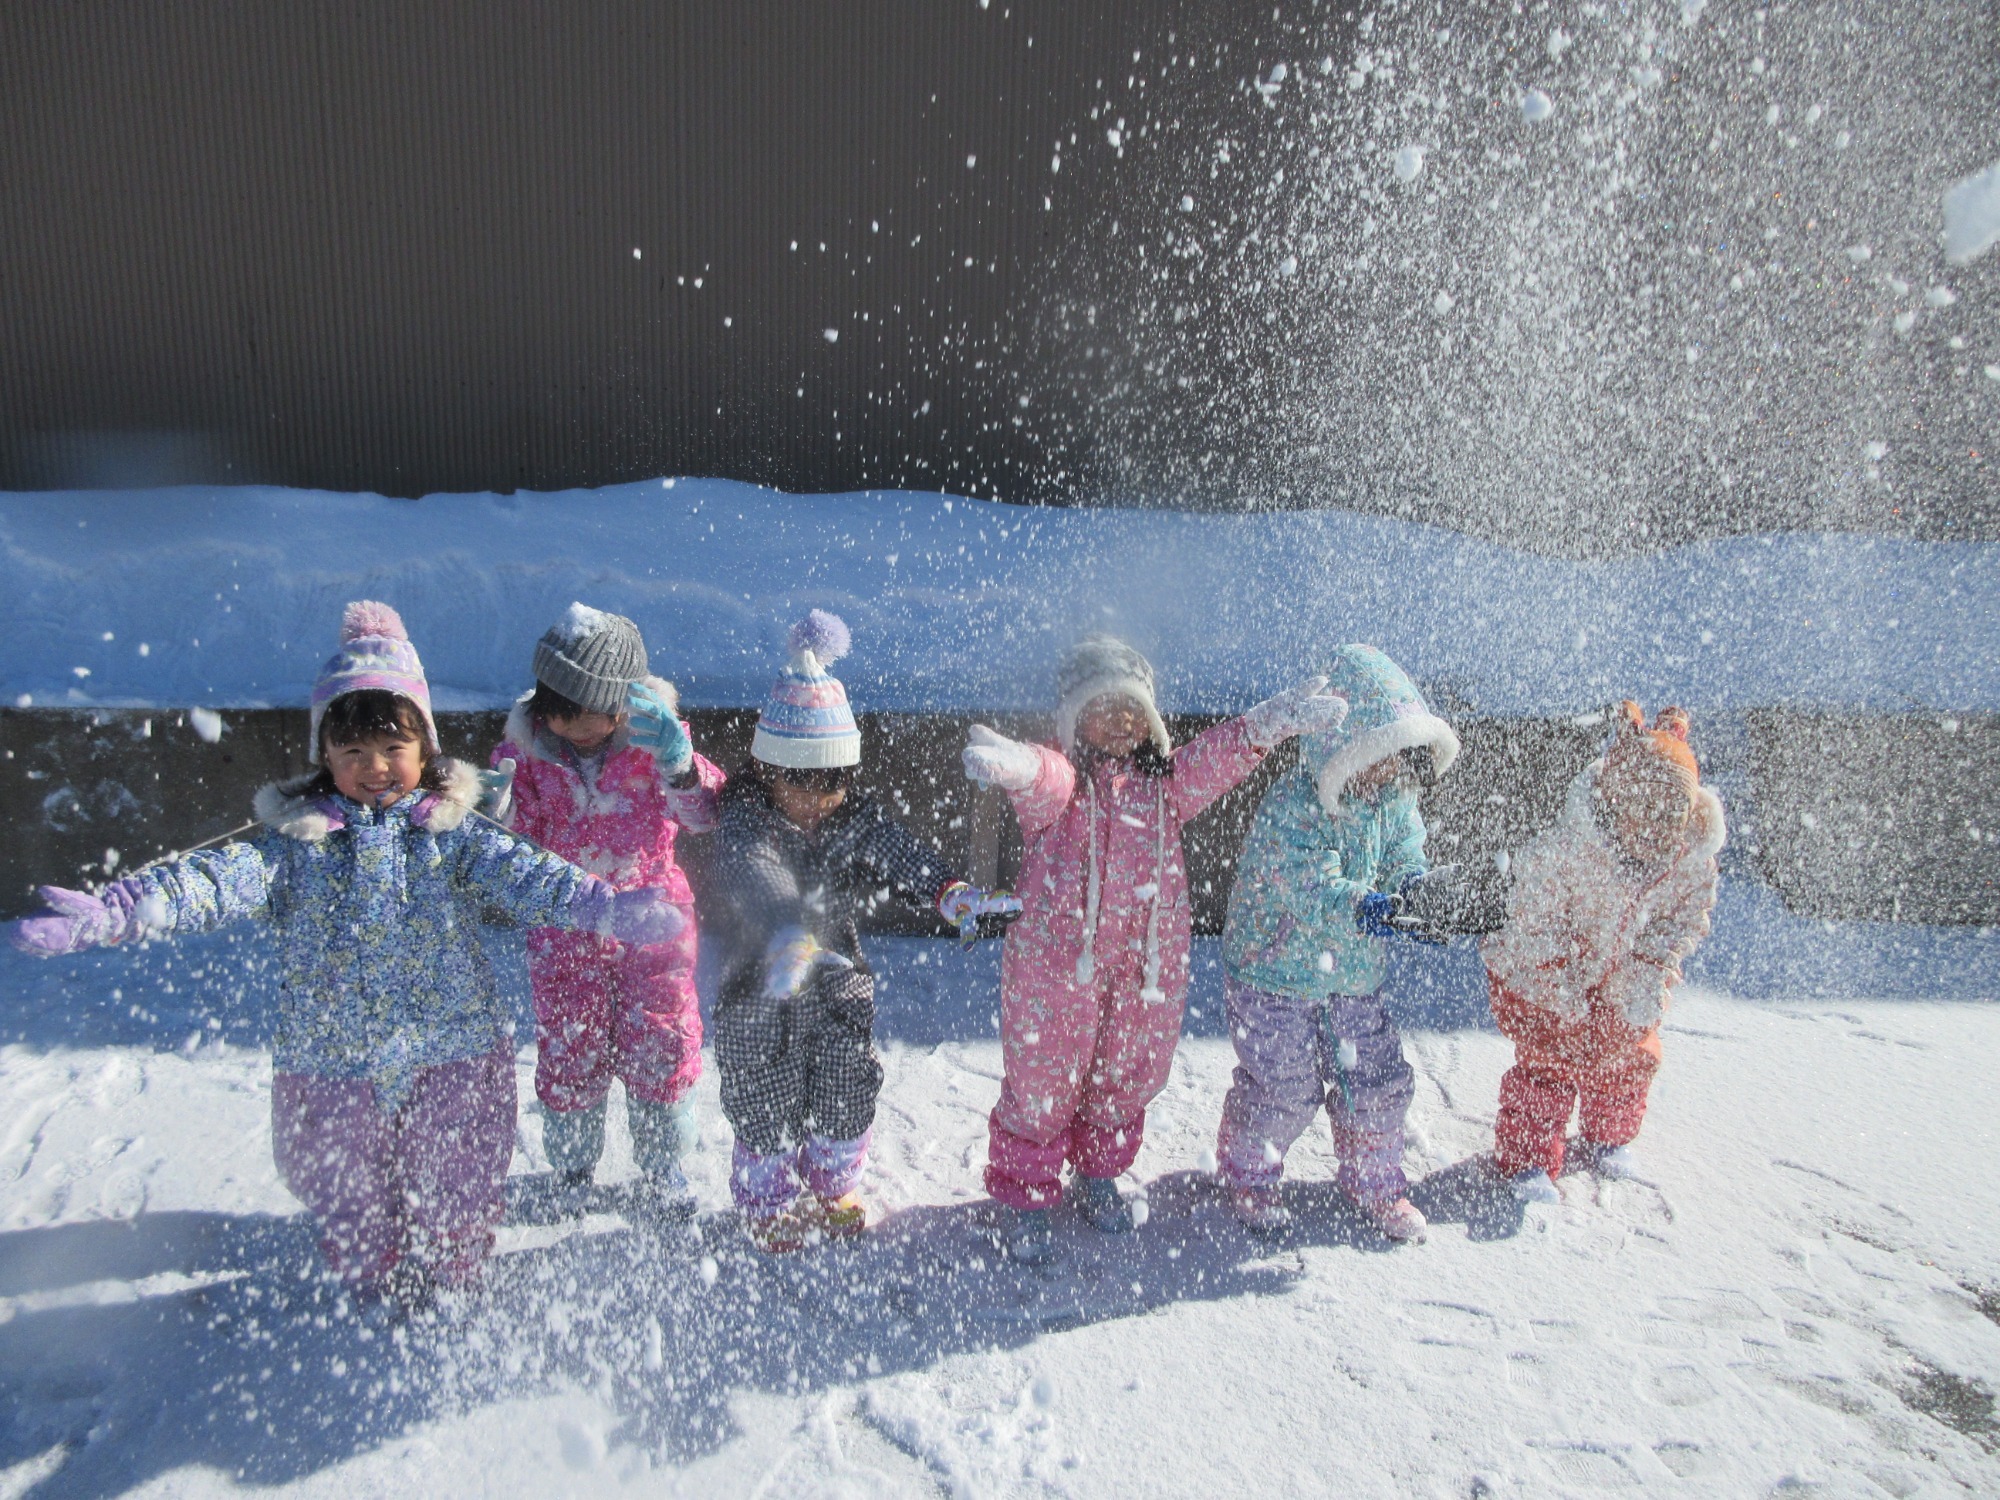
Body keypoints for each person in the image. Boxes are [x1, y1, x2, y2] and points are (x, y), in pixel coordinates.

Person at [8, 602, 681, 1310]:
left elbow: (529, 873)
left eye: (393, 749)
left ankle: (454, 1273)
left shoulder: (450, 834)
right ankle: (372, 1269)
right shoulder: (296, 846)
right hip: (330, 1057)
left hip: (451, 1049)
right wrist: (125, 910)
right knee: (342, 1181)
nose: (375, 768)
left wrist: (606, 906)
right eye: (353, 753)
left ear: (426, 750)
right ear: (324, 757)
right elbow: (211, 879)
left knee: (461, 1173)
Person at [960, 635, 1348, 1263]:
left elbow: (1219, 758)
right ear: (1073, 718)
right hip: (1057, 966)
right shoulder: (1066, 790)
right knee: (1044, 1079)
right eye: (1102, 706)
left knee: (1127, 1072)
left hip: (1145, 967)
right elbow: (1045, 779)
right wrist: (1018, 766)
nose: (1120, 720)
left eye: (1133, 708)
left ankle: (1097, 1172)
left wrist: (1265, 726)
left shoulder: (1164, 787)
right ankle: (1028, 1194)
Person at [705, 611, 1018, 1252]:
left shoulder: (851, 814)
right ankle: (768, 1197)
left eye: (837, 779)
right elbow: (755, 871)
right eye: (806, 780)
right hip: (757, 981)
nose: (823, 796)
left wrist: (946, 891)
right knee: (767, 1088)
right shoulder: (745, 820)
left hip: (837, 969)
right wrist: (788, 927)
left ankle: (832, 1180)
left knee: (846, 1074)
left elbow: (897, 848)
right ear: (768, 771)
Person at [1215, 644, 1469, 1243]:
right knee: (1284, 1085)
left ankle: (1375, 1180)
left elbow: (1406, 856)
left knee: (1376, 1079)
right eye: (1373, 757)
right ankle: (1250, 1170)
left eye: (1395, 757)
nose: (1386, 773)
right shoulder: (1295, 808)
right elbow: (1313, 889)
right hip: (1274, 973)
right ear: (1341, 751)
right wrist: (1365, 905)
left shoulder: (1394, 801)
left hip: (1353, 973)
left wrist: (1418, 892)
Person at [491, 603, 724, 1220]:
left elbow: (705, 817)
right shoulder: (526, 752)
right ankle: (572, 1163)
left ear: (622, 704)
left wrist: (680, 766)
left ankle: (662, 1162)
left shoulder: (656, 744)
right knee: (571, 1045)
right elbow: (518, 845)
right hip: (566, 927)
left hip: (655, 929)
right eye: (558, 712)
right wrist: (501, 810)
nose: (569, 727)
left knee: (661, 1042)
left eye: (585, 715)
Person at [1481, 702, 1724, 1202]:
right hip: (1551, 974)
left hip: (1621, 977)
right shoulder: (1569, 849)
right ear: (1617, 803)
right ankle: (1527, 1161)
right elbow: (1533, 922)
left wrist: (1641, 980)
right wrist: (1561, 994)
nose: (1658, 827)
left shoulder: (1687, 862)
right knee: (1546, 1068)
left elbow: (1678, 924)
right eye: (1646, 810)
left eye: (1672, 816)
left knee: (1630, 1057)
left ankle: (1608, 1136)